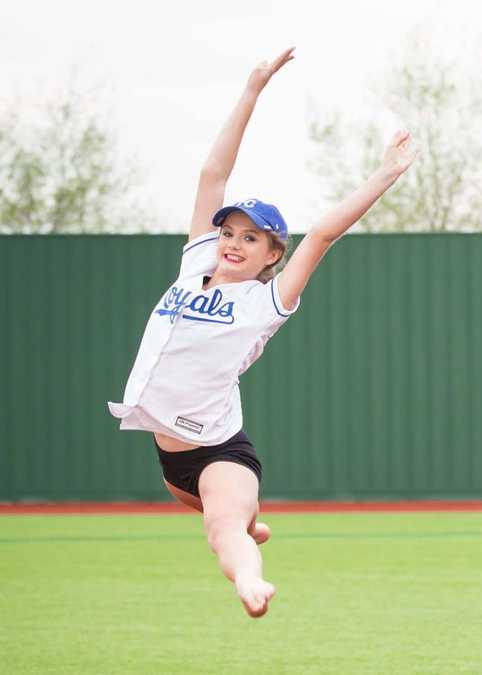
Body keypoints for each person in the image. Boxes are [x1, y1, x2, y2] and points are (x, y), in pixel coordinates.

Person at [108, 49, 418, 615]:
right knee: (228, 518)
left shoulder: (265, 301)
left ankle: (251, 580)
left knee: (223, 530)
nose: (234, 242)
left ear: (273, 254)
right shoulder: (194, 266)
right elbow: (213, 174)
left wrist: (385, 174)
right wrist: (252, 88)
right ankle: (249, 523)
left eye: (252, 238)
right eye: (229, 231)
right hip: (170, 462)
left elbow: (321, 235)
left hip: (219, 451)